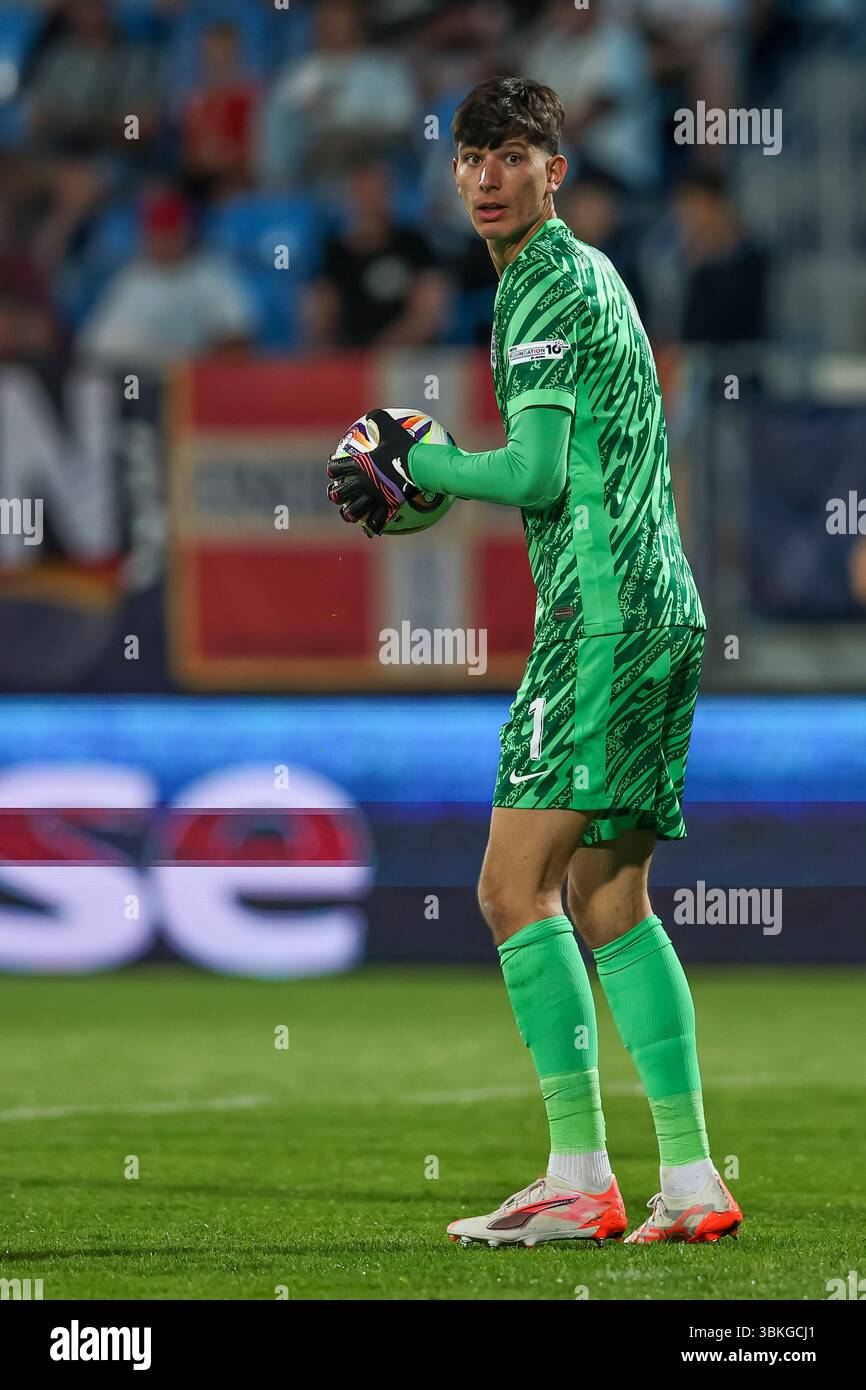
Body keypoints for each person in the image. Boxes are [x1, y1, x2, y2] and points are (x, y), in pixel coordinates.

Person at [327, 77, 743, 1247]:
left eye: (510, 155)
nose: (485, 177)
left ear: (552, 169)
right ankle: (691, 1177)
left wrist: (427, 459)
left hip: (600, 618)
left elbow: (537, 475)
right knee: (610, 898)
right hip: (660, 610)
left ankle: (576, 1174)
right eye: (469, 156)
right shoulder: (590, 273)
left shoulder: (546, 281)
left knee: (512, 889)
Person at [80, 189, 255, 368]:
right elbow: (95, 345)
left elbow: (237, 342)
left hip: (180, 380)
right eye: (156, 234)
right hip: (124, 376)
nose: (162, 241)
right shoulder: (131, 277)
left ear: (184, 233)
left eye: (169, 233)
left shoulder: (209, 275)